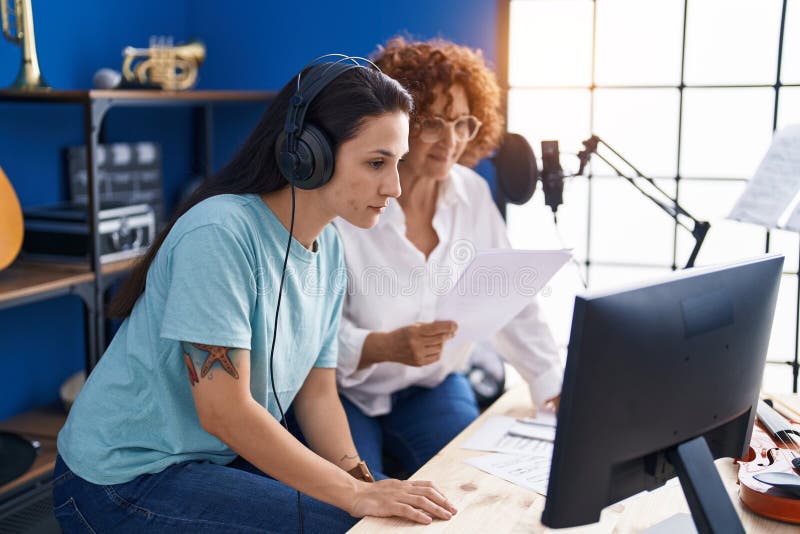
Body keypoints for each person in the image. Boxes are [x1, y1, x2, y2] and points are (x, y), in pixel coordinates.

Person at [52, 58, 458, 533]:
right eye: (375, 163)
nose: (393, 186)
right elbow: (225, 412)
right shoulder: (220, 233)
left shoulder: (328, 247)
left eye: (397, 163)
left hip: (209, 461)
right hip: (120, 482)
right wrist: (355, 496)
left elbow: (318, 392)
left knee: (387, 518)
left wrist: (365, 482)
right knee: (342, 523)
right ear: (309, 152)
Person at [334, 39, 564, 479]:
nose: (452, 141)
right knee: (361, 504)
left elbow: (510, 296)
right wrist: (382, 346)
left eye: (463, 124)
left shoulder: (472, 193)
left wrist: (549, 383)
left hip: (432, 387)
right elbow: (304, 335)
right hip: (346, 391)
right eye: (434, 123)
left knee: (471, 482)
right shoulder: (346, 203)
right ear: (398, 124)